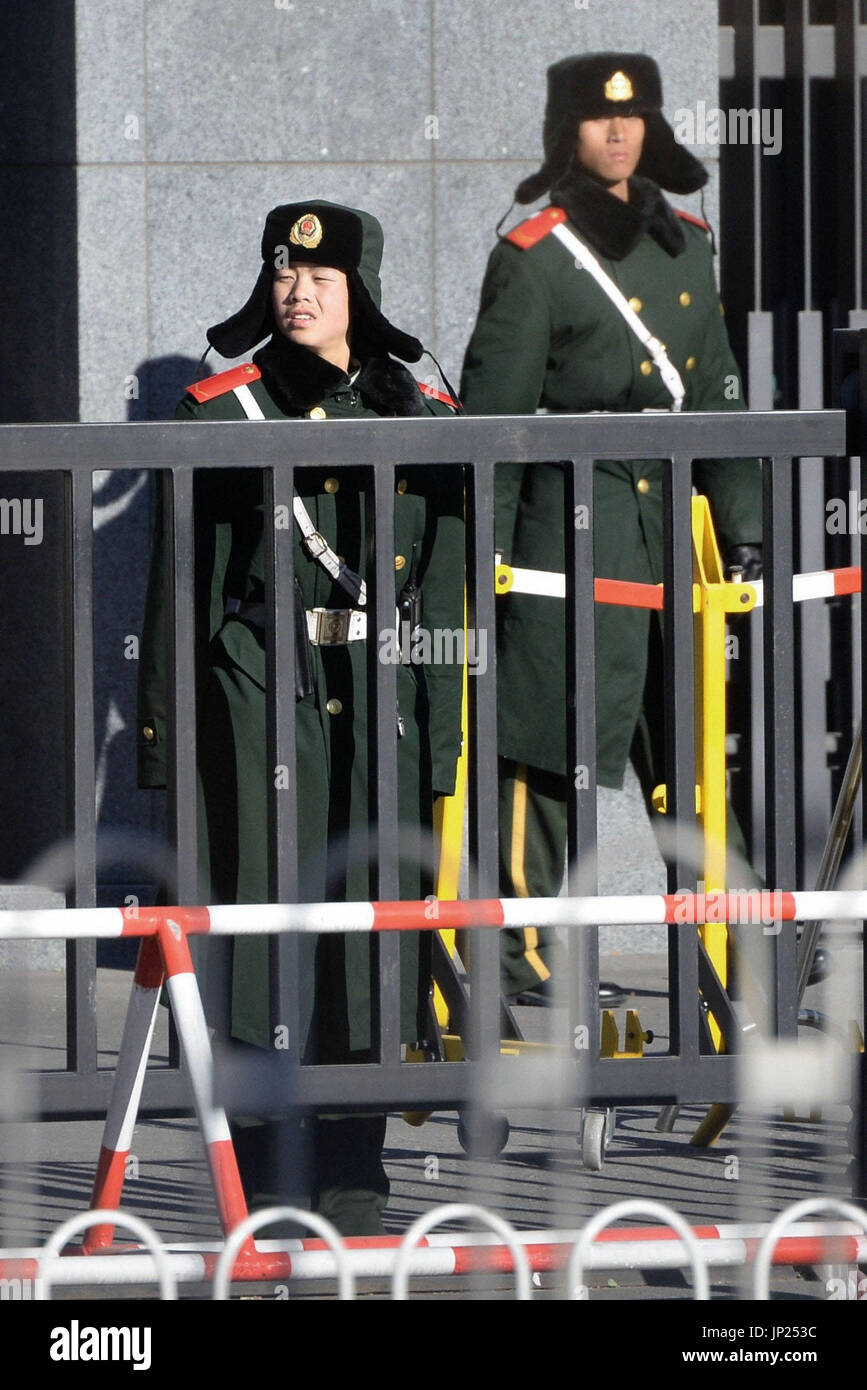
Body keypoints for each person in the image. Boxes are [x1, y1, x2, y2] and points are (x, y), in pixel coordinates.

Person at [138, 199, 464, 1234]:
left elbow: (447, 582)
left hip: (381, 697)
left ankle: (355, 1166)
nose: (297, 291)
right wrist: (166, 733)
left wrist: (443, 722)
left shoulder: (422, 408)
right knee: (261, 928)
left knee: (372, 936)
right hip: (259, 693)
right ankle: (271, 1168)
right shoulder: (218, 412)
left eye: (320, 278)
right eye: (282, 272)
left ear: (359, 292)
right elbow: (177, 585)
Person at [460, 53, 763, 1006]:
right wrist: (488, 557)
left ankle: (733, 946)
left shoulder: (688, 244)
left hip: (670, 532)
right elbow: (496, 426)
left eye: (631, 120)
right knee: (547, 753)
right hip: (566, 535)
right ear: (568, 133)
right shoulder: (534, 256)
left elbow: (714, 388)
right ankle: (512, 955)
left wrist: (742, 519)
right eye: (596, 120)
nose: (618, 134)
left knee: (693, 751)